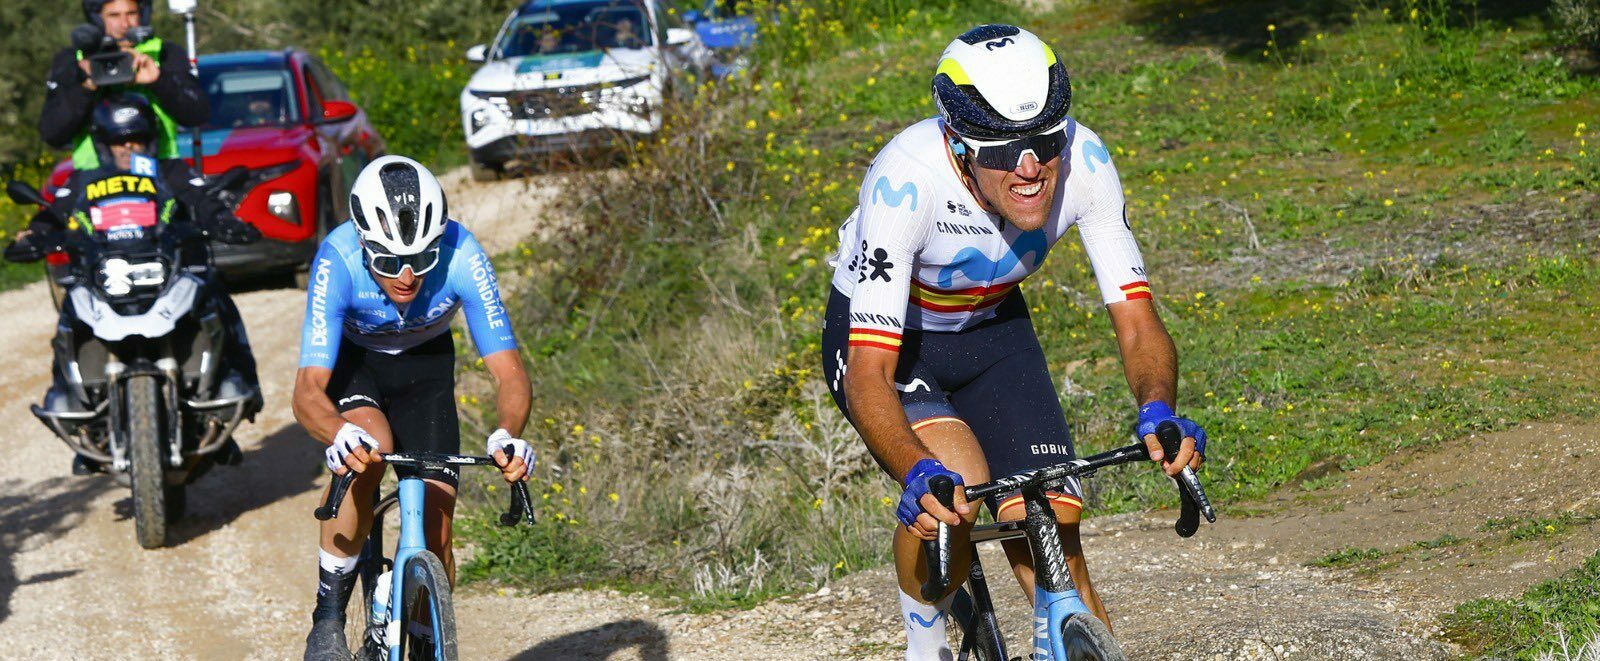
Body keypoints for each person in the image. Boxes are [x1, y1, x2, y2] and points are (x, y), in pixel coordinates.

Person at [820, 24, 1208, 660]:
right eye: (1000, 151)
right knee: (957, 494)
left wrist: (1157, 408)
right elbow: (868, 375)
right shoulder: (906, 180)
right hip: (896, 344)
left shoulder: (1087, 163)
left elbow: (1137, 321)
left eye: (1044, 143)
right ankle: (926, 645)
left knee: (1055, 519)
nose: (1029, 169)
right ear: (959, 144)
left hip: (994, 330)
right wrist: (917, 471)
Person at [294, 156, 533, 660]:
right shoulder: (337, 258)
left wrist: (507, 433)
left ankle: (425, 640)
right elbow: (307, 391)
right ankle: (329, 615)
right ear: (363, 243)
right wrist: (338, 433)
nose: (406, 277)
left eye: (422, 261)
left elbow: (509, 372)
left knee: (439, 521)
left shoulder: (464, 253)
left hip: (426, 370)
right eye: (386, 262)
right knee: (371, 451)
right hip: (356, 365)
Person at [9, 94, 262, 474]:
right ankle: (80, 410)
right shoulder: (80, 181)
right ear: (102, 144)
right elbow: (54, 216)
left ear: (150, 140)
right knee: (69, 312)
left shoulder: (171, 171)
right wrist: (35, 235)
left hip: (166, 271)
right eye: (119, 140)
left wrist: (224, 221)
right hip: (106, 276)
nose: (129, 147)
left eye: (137, 139)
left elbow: (202, 200)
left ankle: (240, 390)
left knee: (215, 294)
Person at [39, 0, 209, 170]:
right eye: (114, 15)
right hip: (93, 176)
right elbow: (52, 133)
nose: (125, 24)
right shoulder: (74, 60)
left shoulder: (163, 53)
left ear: (143, 14)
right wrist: (87, 85)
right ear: (97, 18)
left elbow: (197, 115)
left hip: (161, 169)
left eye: (131, 14)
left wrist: (158, 81)